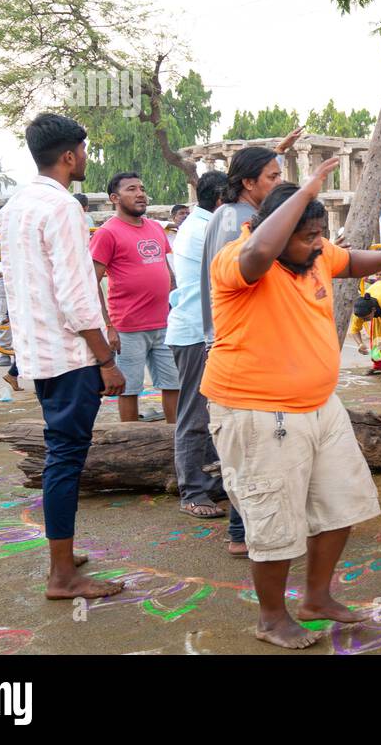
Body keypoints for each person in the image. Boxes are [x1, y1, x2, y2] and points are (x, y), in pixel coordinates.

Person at [202, 169, 381, 649]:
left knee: (343, 503)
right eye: (307, 237)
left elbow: (348, 260)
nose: (319, 245)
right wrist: (306, 191)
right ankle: (271, 617)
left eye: (320, 235)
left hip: (320, 407)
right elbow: (260, 253)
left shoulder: (315, 253)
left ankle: (317, 598)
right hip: (258, 412)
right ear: (276, 231)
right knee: (274, 521)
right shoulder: (237, 260)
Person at [0, 113, 125, 600]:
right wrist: (105, 359)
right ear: (70, 155)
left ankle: (62, 554)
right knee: (66, 459)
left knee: (61, 455)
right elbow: (76, 296)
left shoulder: (14, 208)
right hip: (71, 356)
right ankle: (62, 576)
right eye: (84, 151)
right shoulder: (62, 208)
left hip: (40, 352)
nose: (86, 159)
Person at [199, 129, 302, 558]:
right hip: (237, 346)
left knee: (258, 446)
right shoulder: (233, 220)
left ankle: (247, 528)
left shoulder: (243, 211)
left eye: (281, 175)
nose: (279, 182)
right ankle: (243, 533)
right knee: (251, 449)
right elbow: (245, 275)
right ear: (248, 184)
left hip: (249, 344)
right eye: (272, 176)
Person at [165, 170, 230, 520]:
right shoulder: (208, 228)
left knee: (208, 411)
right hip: (195, 333)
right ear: (221, 200)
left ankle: (207, 480)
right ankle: (192, 490)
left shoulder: (201, 222)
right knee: (193, 412)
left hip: (199, 330)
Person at [90, 172, 179, 425]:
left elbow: (166, 269)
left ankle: (175, 441)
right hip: (127, 328)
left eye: (141, 188)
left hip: (164, 324)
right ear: (114, 198)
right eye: (131, 189)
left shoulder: (155, 228)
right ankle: (129, 442)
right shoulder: (107, 233)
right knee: (128, 389)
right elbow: (91, 282)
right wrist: (108, 326)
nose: (140, 194)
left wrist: (173, 305)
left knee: (173, 383)